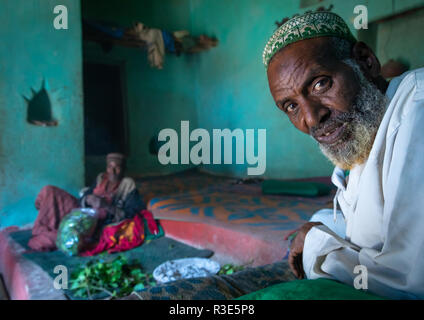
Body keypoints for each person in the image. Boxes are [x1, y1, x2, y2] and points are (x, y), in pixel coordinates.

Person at [263, 10, 424, 299]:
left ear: (366, 61)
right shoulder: (366, 132)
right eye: (291, 106)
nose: (311, 119)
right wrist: (318, 225)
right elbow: (365, 227)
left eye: (320, 84)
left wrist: (317, 247)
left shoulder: (417, 107)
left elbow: (411, 281)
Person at [28, 153, 145, 251]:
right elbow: (84, 197)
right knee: (50, 191)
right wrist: (88, 199)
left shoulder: (128, 184)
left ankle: (56, 235)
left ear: (124, 169)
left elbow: (132, 213)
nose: (113, 171)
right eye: (110, 167)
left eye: (117, 167)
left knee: (50, 240)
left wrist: (106, 206)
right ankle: (43, 228)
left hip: (96, 221)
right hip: (83, 209)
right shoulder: (101, 178)